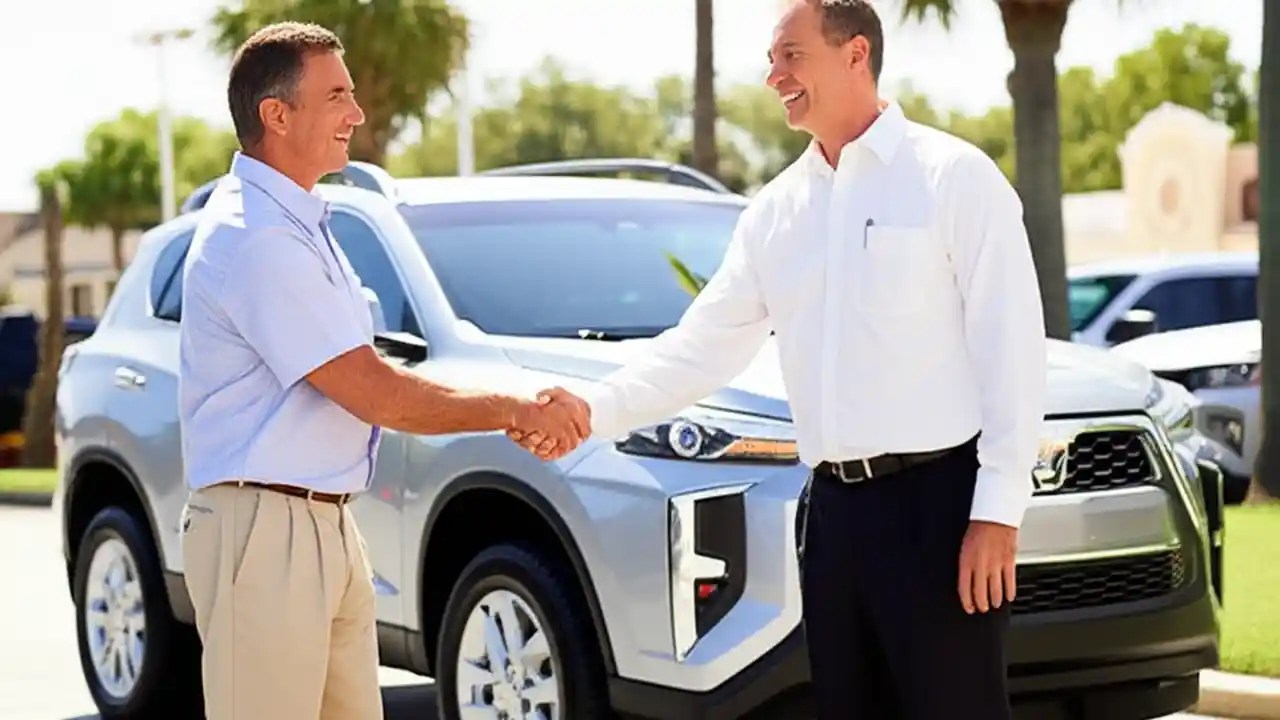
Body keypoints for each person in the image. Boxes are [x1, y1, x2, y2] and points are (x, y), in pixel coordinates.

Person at [512, 0, 1047, 717]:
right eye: (771, 59)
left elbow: (1011, 352)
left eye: (791, 55)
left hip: (940, 512)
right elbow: (701, 346)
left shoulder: (955, 178)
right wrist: (593, 408)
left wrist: (998, 513)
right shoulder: (775, 211)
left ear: (856, 54)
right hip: (831, 519)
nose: (773, 76)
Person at [177, 22, 585, 720]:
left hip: (322, 525)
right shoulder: (258, 237)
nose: (356, 115)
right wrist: (514, 408)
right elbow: (371, 390)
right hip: (267, 533)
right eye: (336, 95)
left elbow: (368, 372)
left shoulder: (299, 224)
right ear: (277, 115)